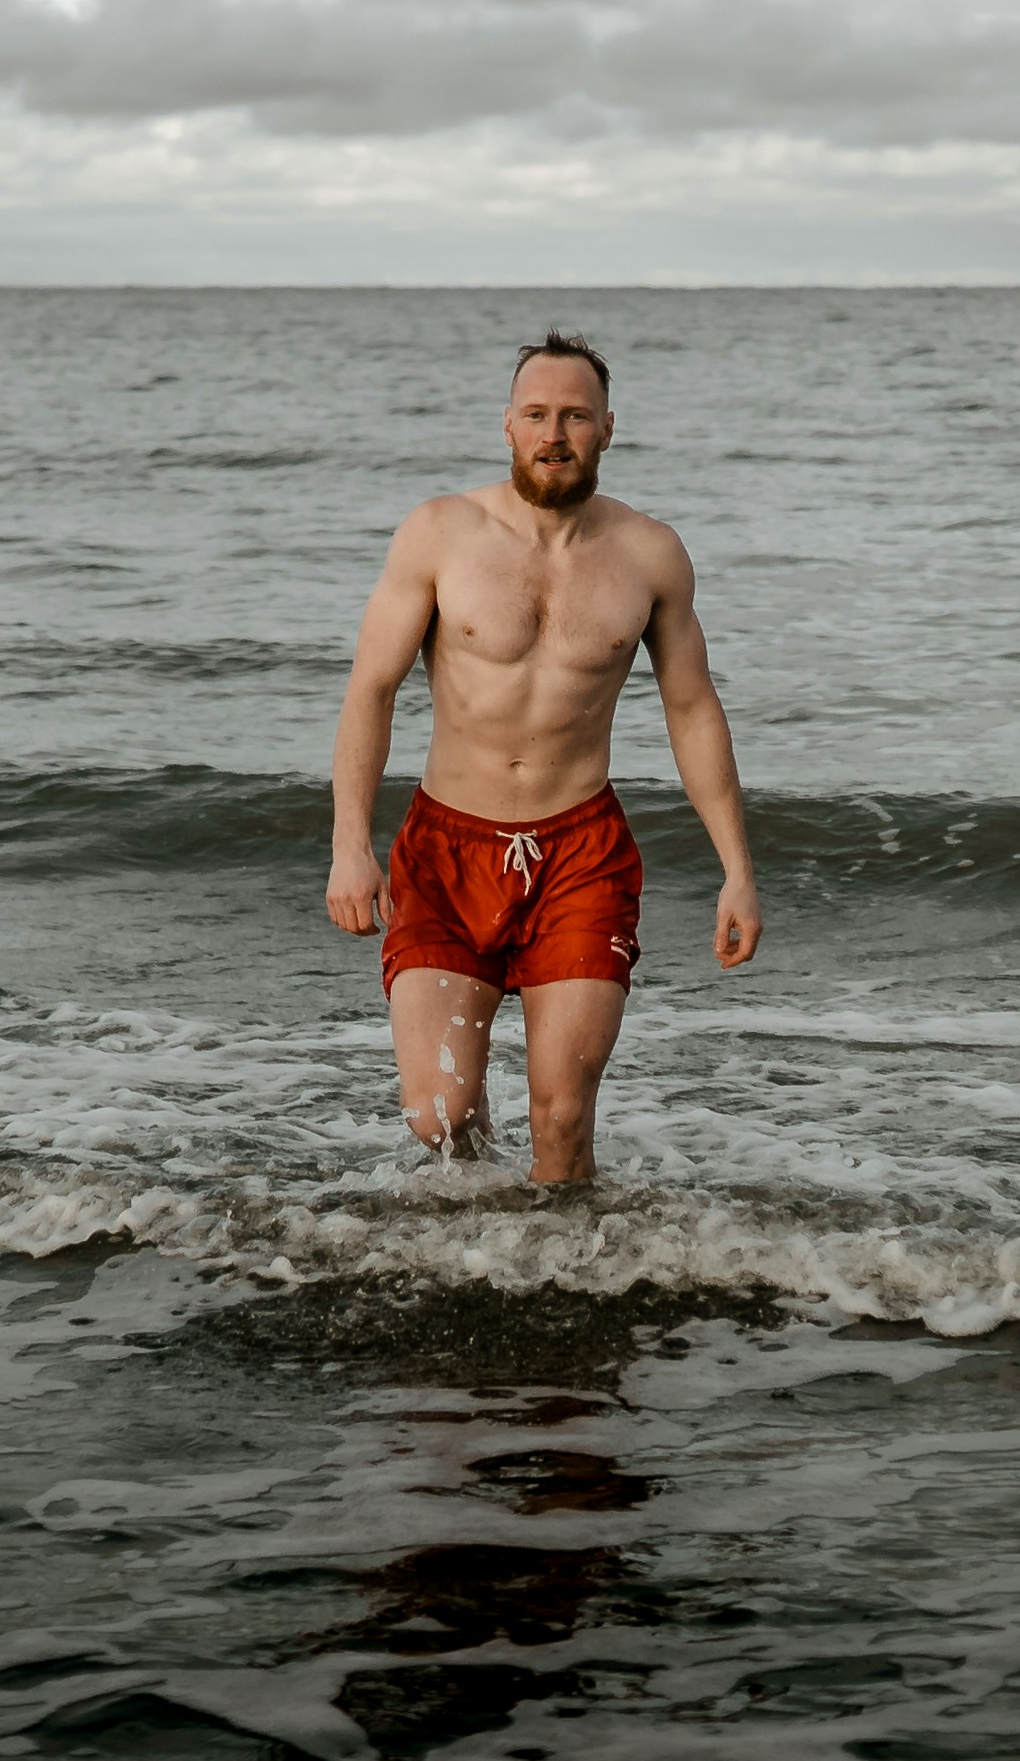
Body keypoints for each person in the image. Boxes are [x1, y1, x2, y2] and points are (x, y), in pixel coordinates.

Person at [324, 333, 759, 1187]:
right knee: (438, 1114)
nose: (552, 432)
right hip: (446, 853)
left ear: (606, 428)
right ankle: (487, 1244)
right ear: (508, 426)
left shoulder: (649, 554)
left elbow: (692, 707)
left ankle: (568, 1281)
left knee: (562, 1116)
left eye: (573, 415)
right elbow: (369, 690)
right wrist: (349, 843)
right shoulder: (441, 532)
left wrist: (736, 868)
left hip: (580, 853)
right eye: (535, 414)